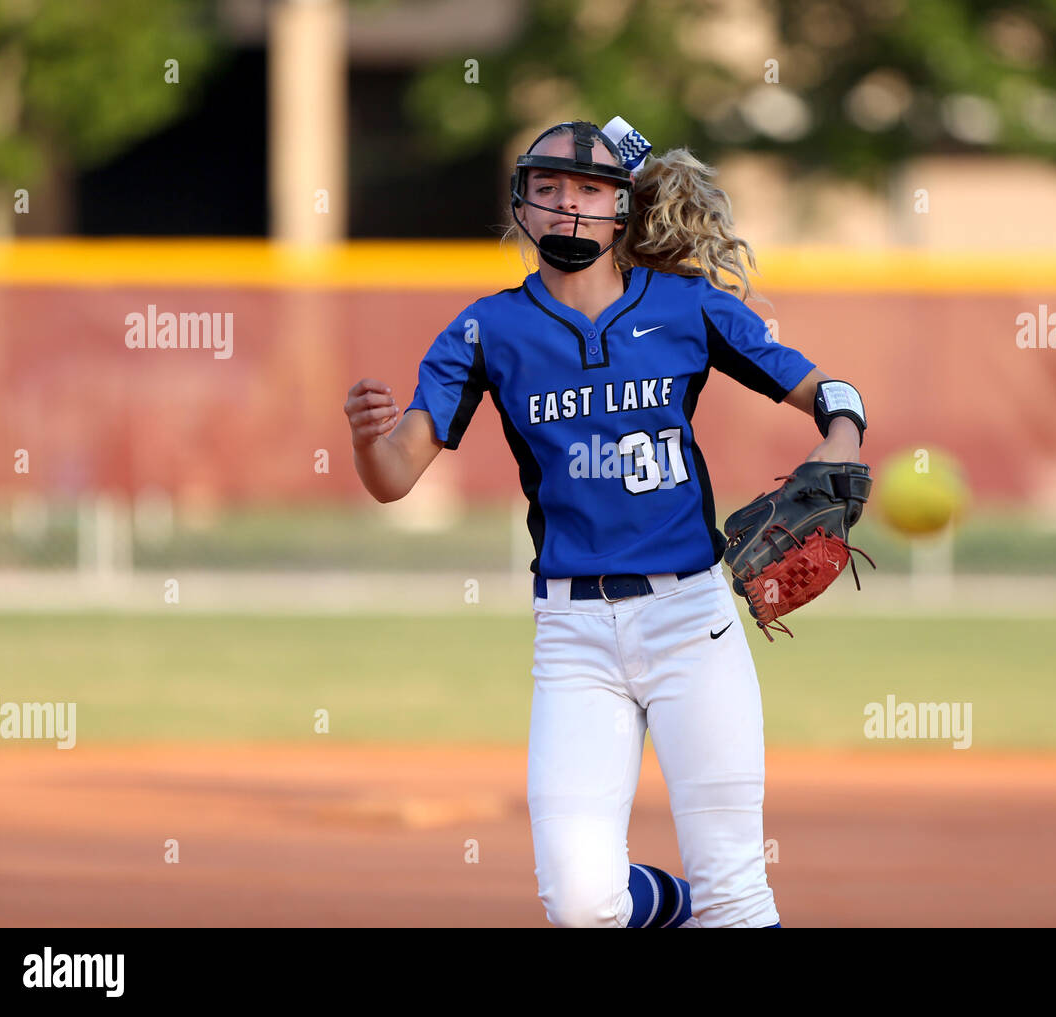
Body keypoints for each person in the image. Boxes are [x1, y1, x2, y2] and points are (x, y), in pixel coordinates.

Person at [345, 117, 867, 928]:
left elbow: (833, 393)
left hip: (692, 619)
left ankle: (719, 906)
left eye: (587, 190)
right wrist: (364, 438)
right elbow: (392, 477)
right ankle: (678, 907)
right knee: (582, 903)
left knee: (738, 886)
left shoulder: (687, 307)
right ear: (523, 204)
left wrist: (840, 449)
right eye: (547, 189)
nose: (566, 207)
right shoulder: (487, 330)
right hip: (574, 633)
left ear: (622, 209)